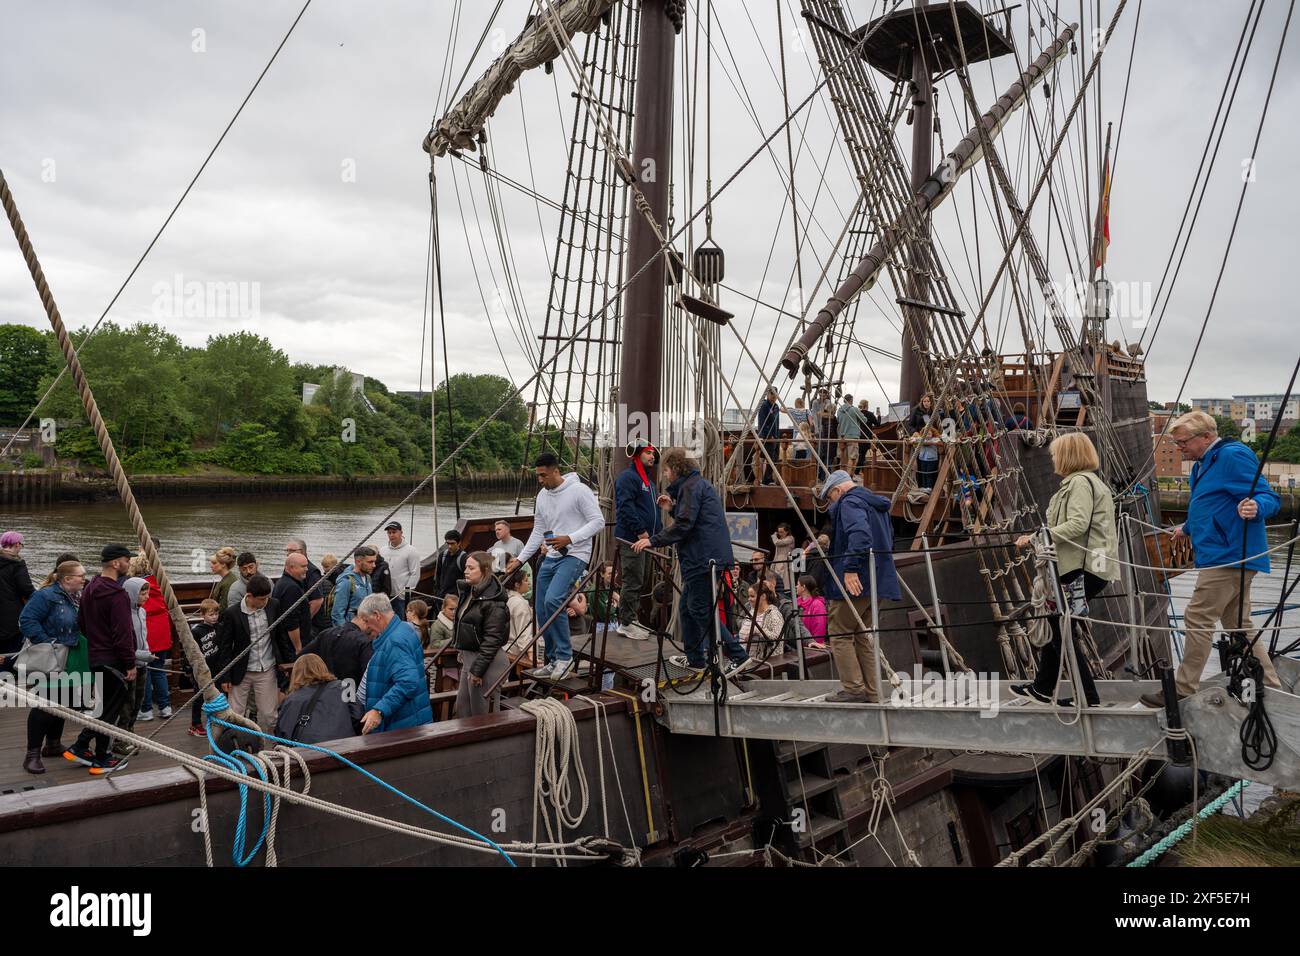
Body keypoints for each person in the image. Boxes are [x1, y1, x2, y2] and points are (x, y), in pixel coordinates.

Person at [1143, 411, 1283, 707]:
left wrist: (1256, 506)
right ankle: (1273, 690)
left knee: (1197, 616)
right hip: (1217, 554)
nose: (1179, 448)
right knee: (1238, 624)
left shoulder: (1232, 456)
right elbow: (1208, 504)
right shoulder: (1201, 465)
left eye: (1183, 442)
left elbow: (1268, 496)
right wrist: (1188, 528)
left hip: (1231, 555)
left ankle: (1183, 688)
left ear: (1206, 437)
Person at [1012, 433, 1116, 706]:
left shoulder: (1079, 484)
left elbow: (1078, 524)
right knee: (1060, 626)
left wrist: (1036, 537)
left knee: (1062, 629)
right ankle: (1043, 689)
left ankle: (1087, 698)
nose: (1053, 458)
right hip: (1090, 566)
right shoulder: (1087, 482)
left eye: (1056, 454)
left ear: (1068, 456)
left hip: (1082, 568)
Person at [633, 447, 753, 675]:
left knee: (698, 609)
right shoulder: (697, 486)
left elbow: (685, 525)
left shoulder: (690, 488)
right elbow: (694, 518)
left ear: (677, 469)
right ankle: (696, 658)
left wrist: (653, 540)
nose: (666, 475)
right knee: (687, 609)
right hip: (708, 557)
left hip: (703, 559)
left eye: (667, 470)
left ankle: (738, 655)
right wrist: (673, 508)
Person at [508, 452, 605, 681]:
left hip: (575, 554)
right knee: (541, 608)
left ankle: (564, 657)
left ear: (555, 470)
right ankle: (552, 661)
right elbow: (538, 531)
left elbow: (598, 521)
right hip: (551, 556)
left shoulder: (579, 491)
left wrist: (569, 538)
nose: (540, 480)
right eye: (537, 476)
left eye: (543, 475)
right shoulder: (543, 496)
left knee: (553, 600)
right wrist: (520, 559)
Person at [818, 470, 900, 703]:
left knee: (840, 632)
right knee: (864, 636)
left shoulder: (849, 502)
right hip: (879, 580)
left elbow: (860, 535)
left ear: (837, 490)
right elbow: (888, 538)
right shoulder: (875, 504)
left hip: (858, 582)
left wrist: (851, 568)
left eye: (830, 498)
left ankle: (854, 689)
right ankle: (874, 693)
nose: (832, 503)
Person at [64, 545, 138, 774]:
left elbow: (82, 623)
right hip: (114, 659)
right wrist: (129, 663)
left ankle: (83, 746)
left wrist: (97, 642)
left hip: (96, 656)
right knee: (110, 709)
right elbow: (123, 633)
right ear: (116, 563)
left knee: (103, 706)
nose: (129, 564)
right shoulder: (118, 595)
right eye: (127, 560)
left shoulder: (90, 588)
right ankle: (99, 756)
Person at [18, 559, 86, 774]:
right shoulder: (45, 596)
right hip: (50, 656)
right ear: (67, 579)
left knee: (64, 701)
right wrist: (47, 643)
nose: (84, 579)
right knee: (45, 705)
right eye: (81, 576)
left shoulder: (77, 597)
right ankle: (32, 755)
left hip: (70, 655)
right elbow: (26, 620)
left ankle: (53, 744)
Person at [215, 573, 293, 730]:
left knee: (270, 713)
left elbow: (280, 636)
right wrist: (225, 677)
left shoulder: (273, 605)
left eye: (267, 598)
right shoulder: (232, 613)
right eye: (262, 599)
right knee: (236, 713)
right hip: (241, 670)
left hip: (266, 668)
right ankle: (234, 744)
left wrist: (288, 662)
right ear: (249, 596)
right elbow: (225, 646)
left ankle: (279, 743)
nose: (265, 602)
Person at [355, 593, 432, 733]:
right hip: (409, 719)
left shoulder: (395, 642)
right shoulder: (404, 628)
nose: (365, 627)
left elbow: (408, 682)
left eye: (366, 621)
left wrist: (379, 710)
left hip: (402, 726)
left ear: (377, 615)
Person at [453, 551, 512, 716]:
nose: (466, 571)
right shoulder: (470, 592)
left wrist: (478, 670)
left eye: (471, 568)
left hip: (488, 662)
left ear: (485, 571)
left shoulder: (494, 602)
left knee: (482, 715)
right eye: (466, 567)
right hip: (470, 658)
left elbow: (493, 639)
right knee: (463, 709)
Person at [613, 442, 662, 637]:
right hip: (633, 540)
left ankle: (632, 619)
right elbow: (625, 507)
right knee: (632, 580)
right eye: (648, 453)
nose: (652, 457)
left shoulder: (649, 483)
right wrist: (640, 531)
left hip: (648, 541)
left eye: (652, 454)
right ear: (637, 455)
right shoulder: (628, 478)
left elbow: (651, 510)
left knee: (640, 580)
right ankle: (626, 622)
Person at [274, 653, 360, 744]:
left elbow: (283, 731)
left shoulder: (291, 699)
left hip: (308, 749)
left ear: (296, 673)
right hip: (344, 743)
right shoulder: (344, 686)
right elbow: (357, 714)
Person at [299, 613, 373, 688]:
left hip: (323, 692)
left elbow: (301, 657)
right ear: (365, 620)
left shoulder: (325, 634)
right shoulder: (364, 642)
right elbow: (369, 675)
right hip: (350, 694)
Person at [187, 599, 222, 737]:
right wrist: (190, 668)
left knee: (217, 696)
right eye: (210, 614)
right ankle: (195, 724)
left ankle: (214, 719)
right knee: (199, 697)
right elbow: (192, 651)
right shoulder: (197, 631)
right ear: (203, 615)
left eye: (216, 614)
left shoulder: (221, 627)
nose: (214, 617)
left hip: (217, 668)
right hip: (202, 670)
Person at [272, 551, 314, 658]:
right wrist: (298, 648)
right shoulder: (291, 588)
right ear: (291, 568)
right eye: (303, 566)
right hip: (292, 646)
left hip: (287, 642)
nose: (307, 569)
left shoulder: (283, 583)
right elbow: (291, 622)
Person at [0, 530, 34, 659]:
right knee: (12, 650)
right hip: (11, 616)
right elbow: (26, 589)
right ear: (17, 544)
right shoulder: (17, 564)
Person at [379, 521, 421, 618]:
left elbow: (415, 574)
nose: (391, 535)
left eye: (394, 532)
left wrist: (405, 593)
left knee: (401, 620)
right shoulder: (382, 550)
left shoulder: (411, 551)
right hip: (385, 595)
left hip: (400, 596)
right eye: (389, 533)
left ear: (401, 533)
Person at [285, 538, 326, 634]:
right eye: (287, 550)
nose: (287, 554)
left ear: (302, 552)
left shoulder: (312, 572)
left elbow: (317, 601)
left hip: (311, 626)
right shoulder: (290, 569)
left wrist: (304, 624)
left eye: (291, 551)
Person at [331, 546, 376, 627]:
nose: (374, 565)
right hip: (351, 629)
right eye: (370, 562)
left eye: (374, 562)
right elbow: (337, 614)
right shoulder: (346, 581)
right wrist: (345, 634)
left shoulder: (368, 578)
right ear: (358, 561)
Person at [738, 581, 784, 658]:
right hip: (744, 658)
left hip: (761, 662)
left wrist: (757, 630)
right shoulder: (751, 611)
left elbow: (776, 638)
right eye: (749, 596)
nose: (749, 599)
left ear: (763, 596)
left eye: (752, 596)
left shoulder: (773, 614)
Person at [504, 574, 535, 663]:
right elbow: (523, 631)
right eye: (525, 580)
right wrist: (530, 653)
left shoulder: (507, 598)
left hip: (505, 647)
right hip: (516, 652)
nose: (529, 583)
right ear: (517, 584)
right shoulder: (520, 603)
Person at [586, 562, 619, 634]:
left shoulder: (615, 587)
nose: (613, 576)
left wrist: (618, 599)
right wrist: (616, 604)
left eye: (615, 573)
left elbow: (621, 610)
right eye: (610, 573)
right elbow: (604, 614)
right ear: (602, 574)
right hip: (602, 626)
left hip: (615, 623)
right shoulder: (595, 591)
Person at [756, 387, 780, 485]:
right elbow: (762, 422)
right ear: (767, 394)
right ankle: (766, 479)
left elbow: (776, 422)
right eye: (771, 394)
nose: (773, 396)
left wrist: (776, 435)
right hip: (767, 437)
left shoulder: (776, 407)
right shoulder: (764, 406)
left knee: (775, 457)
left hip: (775, 436)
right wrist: (768, 436)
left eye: (775, 394)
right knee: (768, 457)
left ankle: (768, 478)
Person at [796, 574, 828, 648]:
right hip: (798, 644)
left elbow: (819, 627)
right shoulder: (796, 602)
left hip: (812, 645)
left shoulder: (817, 605)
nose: (796, 586)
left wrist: (815, 644)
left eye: (797, 584)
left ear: (803, 587)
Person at [836, 394, 867, 471]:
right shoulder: (854, 409)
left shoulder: (839, 410)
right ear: (851, 400)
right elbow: (865, 420)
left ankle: (843, 476)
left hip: (842, 437)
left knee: (843, 458)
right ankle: (849, 477)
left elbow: (838, 421)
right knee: (852, 458)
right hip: (853, 437)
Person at [771, 522, 796, 593]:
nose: (780, 534)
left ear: (787, 531)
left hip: (785, 562)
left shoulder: (790, 538)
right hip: (777, 562)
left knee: (785, 581)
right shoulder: (780, 539)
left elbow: (777, 543)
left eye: (782, 532)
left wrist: (774, 536)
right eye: (779, 532)